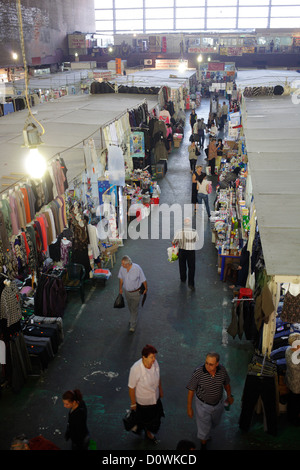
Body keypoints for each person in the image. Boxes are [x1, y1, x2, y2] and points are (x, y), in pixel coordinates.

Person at [186, 352, 234, 450]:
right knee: (203, 427)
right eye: (206, 363)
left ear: (217, 364)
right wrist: (189, 407)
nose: (207, 366)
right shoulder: (198, 372)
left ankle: (206, 434)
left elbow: (227, 384)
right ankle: (203, 444)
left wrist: (229, 396)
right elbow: (191, 390)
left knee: (214, 422)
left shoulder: (222, 370)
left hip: (218, 404)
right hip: (202, 405)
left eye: (211, 364)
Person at [128, 344, 164, 444]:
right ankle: (148, 434)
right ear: (144, 357)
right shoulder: (135, 368)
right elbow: (131, 387)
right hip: (144, 402)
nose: (154, 359)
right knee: (146, 420)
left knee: (154, 419)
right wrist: (133, 403)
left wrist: (160, 389)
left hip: (155, 398)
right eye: (152, 357)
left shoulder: (155, 363)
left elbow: (158, 377)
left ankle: (147, 431)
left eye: (154, 357)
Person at [118, 255, 147, 332]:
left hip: (136, 293)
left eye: (123, 264)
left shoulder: (137, 268)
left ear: (128, 264)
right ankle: (132, 318)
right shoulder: (122, 268)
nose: (121, 265)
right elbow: (121, 279)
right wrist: (120, 288)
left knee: (134, 308)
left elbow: (143, 280)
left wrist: (146, 289)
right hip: (127, 292)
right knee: (130, 306)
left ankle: (132, 325)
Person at [172, 217, 199, 290]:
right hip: (191, 251)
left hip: (182, 250)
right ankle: (191, 284)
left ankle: (183, 278)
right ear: (190, 224)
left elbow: (173, 242)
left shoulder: (179, 231)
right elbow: (196, 240)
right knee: (192, 267)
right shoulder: (194, 231)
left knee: (182, 265)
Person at [285, 333, 300, 426]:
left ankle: (291, 416)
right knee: (295, 402)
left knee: (292, 400)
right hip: (296, 384)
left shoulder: (288, 349)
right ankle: (293, 419)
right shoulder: (294, 355)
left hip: (291, 380)